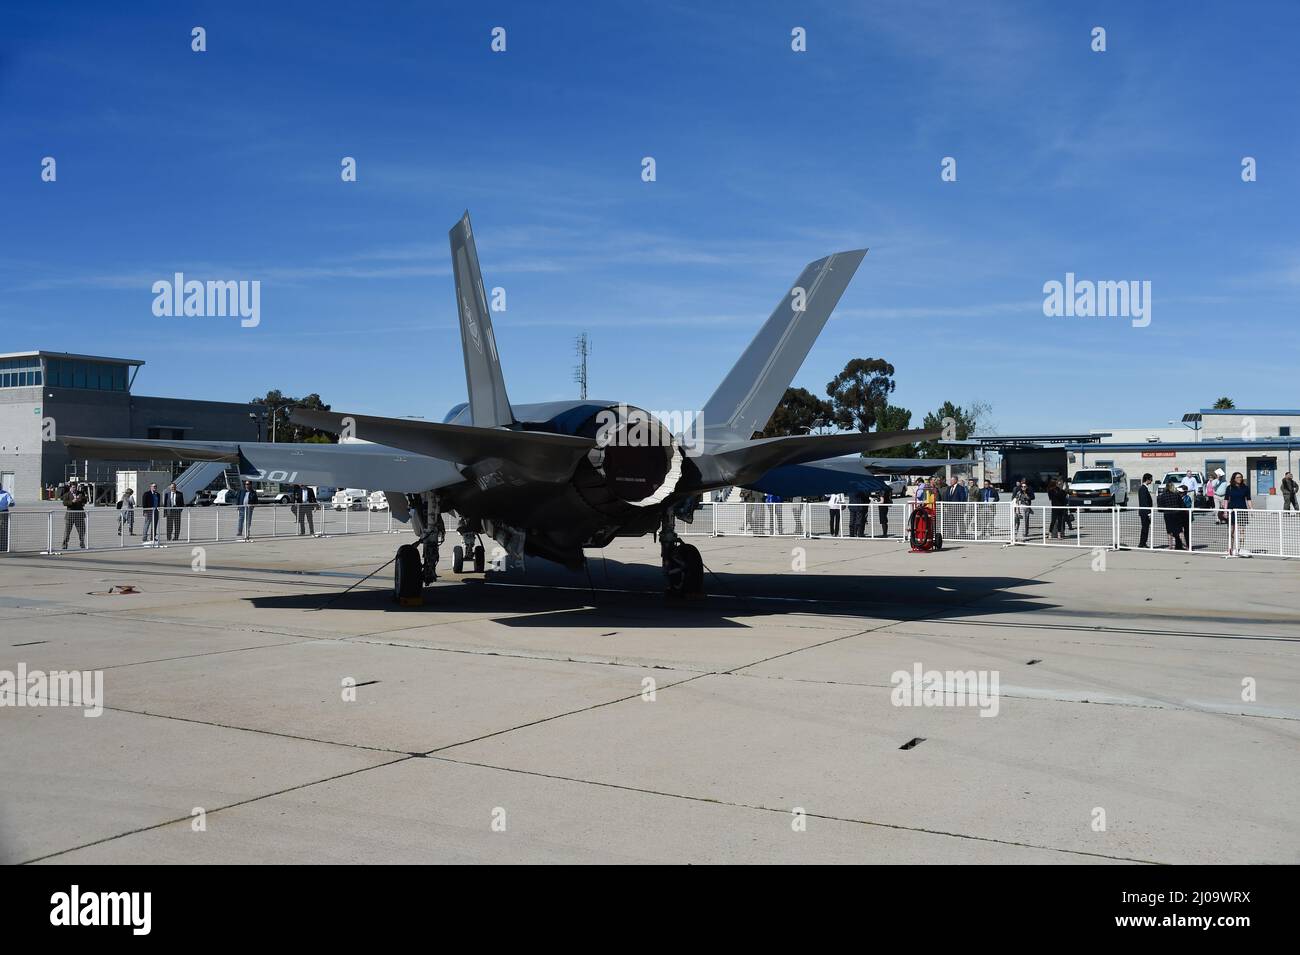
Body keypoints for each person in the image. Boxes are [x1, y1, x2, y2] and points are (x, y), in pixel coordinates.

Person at [1223, 471, 1252, 557]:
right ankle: (1230, 548)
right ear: (1234, 479)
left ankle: (1240, 549)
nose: (1240, 479)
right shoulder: (1229, 488)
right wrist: (1225, 511)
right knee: (1231, 531)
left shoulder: (1245, 488)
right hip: (1231, 510)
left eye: (1241, 477)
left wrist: (1251, 509)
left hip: (1242, 510)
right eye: (1238, 477)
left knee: (1242, 531)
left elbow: (1249, 499)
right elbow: (1226, 500)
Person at [1157, 481, 1186, 550]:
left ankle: (1170, 546)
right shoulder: (1177, 494)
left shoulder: (1162, 496)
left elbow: (1160, 508)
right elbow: (1182, 505)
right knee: (1180, 531)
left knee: (1169, 531)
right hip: (1177, 514)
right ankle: (1185, 545)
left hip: (1168, 515)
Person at [61, 483, 88, 549]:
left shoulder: (80, 493)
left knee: (82, 530)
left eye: (75, 487)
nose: (74, 489)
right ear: (70, 488)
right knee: (67, 531)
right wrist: (72, 501)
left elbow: (85, 500)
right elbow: (64, 503)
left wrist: (80, 499)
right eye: (73, 487)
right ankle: (65, 544)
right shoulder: (66, 494)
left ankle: (82, 543)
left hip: (79, 515)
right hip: (70, 515)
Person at [1137, 473, 1154, 548]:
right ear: (1147, 480)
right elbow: (1144, 502)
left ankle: (1143, 542)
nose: (1151, 481)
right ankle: (1142, 543)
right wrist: (1148, 513)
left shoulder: (1144, 488)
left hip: (1145, 511)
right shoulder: (1143, 489)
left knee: (1146, 527)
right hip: (1145, 512)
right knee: (1145, 528)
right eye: (1151, 479)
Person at [0, 482, 12, 553]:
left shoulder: (5, 494)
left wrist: (10, 503)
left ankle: (3, 547)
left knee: (3, 530)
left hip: (3, 513)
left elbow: (12, 503)